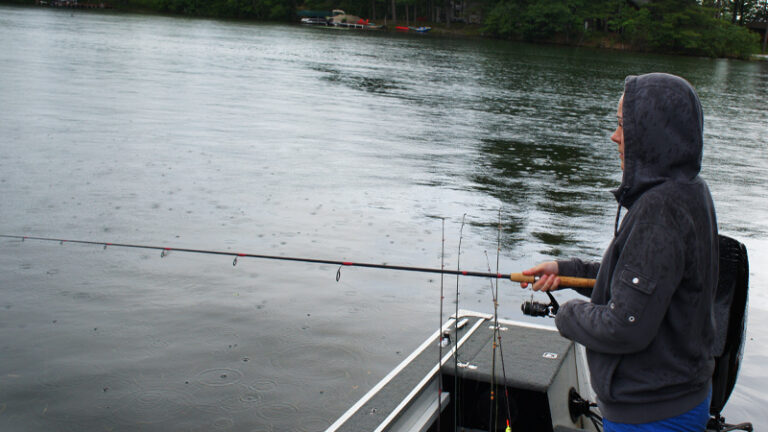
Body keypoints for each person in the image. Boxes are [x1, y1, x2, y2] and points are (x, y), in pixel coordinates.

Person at [521, 73, 718, 431]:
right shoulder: (690, 190)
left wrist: (567, 315)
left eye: (622, 126)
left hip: (652, 415)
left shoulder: (659, 211)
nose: (615, 137)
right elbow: (641, 280)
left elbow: (625, 326)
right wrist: (564, 270)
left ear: (652, 132)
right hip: (680, 396)